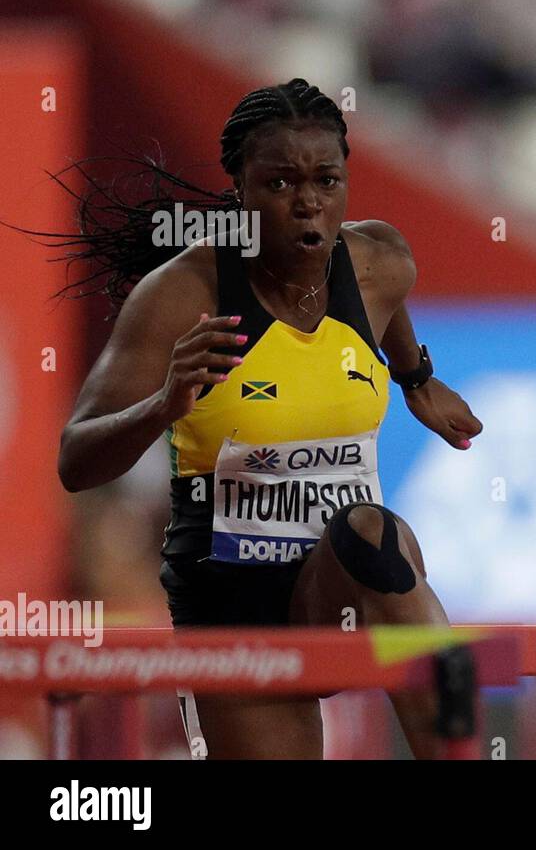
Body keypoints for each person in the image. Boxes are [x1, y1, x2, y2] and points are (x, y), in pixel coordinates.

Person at [53, 78, 483, 758]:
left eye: (326, 181)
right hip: (231, 598)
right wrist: (162, 407)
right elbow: (76, 462)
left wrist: (416, 379)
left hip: (335, 582)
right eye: (280, 185)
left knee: (374, 532)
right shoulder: (181, 295)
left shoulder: (379, 264)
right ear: (240, 193)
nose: (308, 204)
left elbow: (389, 309)